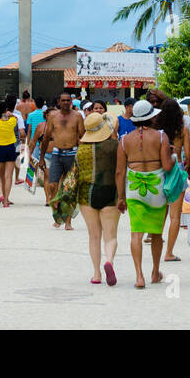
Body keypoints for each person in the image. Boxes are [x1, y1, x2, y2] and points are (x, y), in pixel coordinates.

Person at [116, 100, 172, 288]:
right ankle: (155, 272)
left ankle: (139, 276)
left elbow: (119, 172)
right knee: (156, 233)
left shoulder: (124, 140)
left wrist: (121, 197)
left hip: (134, 188)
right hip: (157, 188)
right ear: (152, 117)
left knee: (136, 233)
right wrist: (173, 157)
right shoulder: (162, 137)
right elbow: (166, 166)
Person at [76, 112, 120, 286]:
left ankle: (96, 274)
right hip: (110, 193)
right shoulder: (115, 146)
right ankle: (109, 261)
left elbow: (76, 174)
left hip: (87, 194)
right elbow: (121, 170)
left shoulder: (81, 150)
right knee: (110, 236)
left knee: (94, 236)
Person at [152, 91, 188, 262]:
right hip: (177, 169)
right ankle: (169, 252)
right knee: (175, 215)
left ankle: (155, 240)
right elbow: (188, 155)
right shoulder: (183, 130)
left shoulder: (156, 131)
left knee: (160, 211)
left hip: (160, 169)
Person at [40, 91, 84, 219]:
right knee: (52, 185)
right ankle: (57, 214)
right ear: (58, 102)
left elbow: (82, 136)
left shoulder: (77, 116)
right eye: (63, 100)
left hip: (72, 153)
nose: (65, 102)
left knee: (69, 187)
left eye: (68, 100)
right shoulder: (53, 116)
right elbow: (46, 138)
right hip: (57, 153)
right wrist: (42, 158)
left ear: (71, 102)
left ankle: (68, 219)